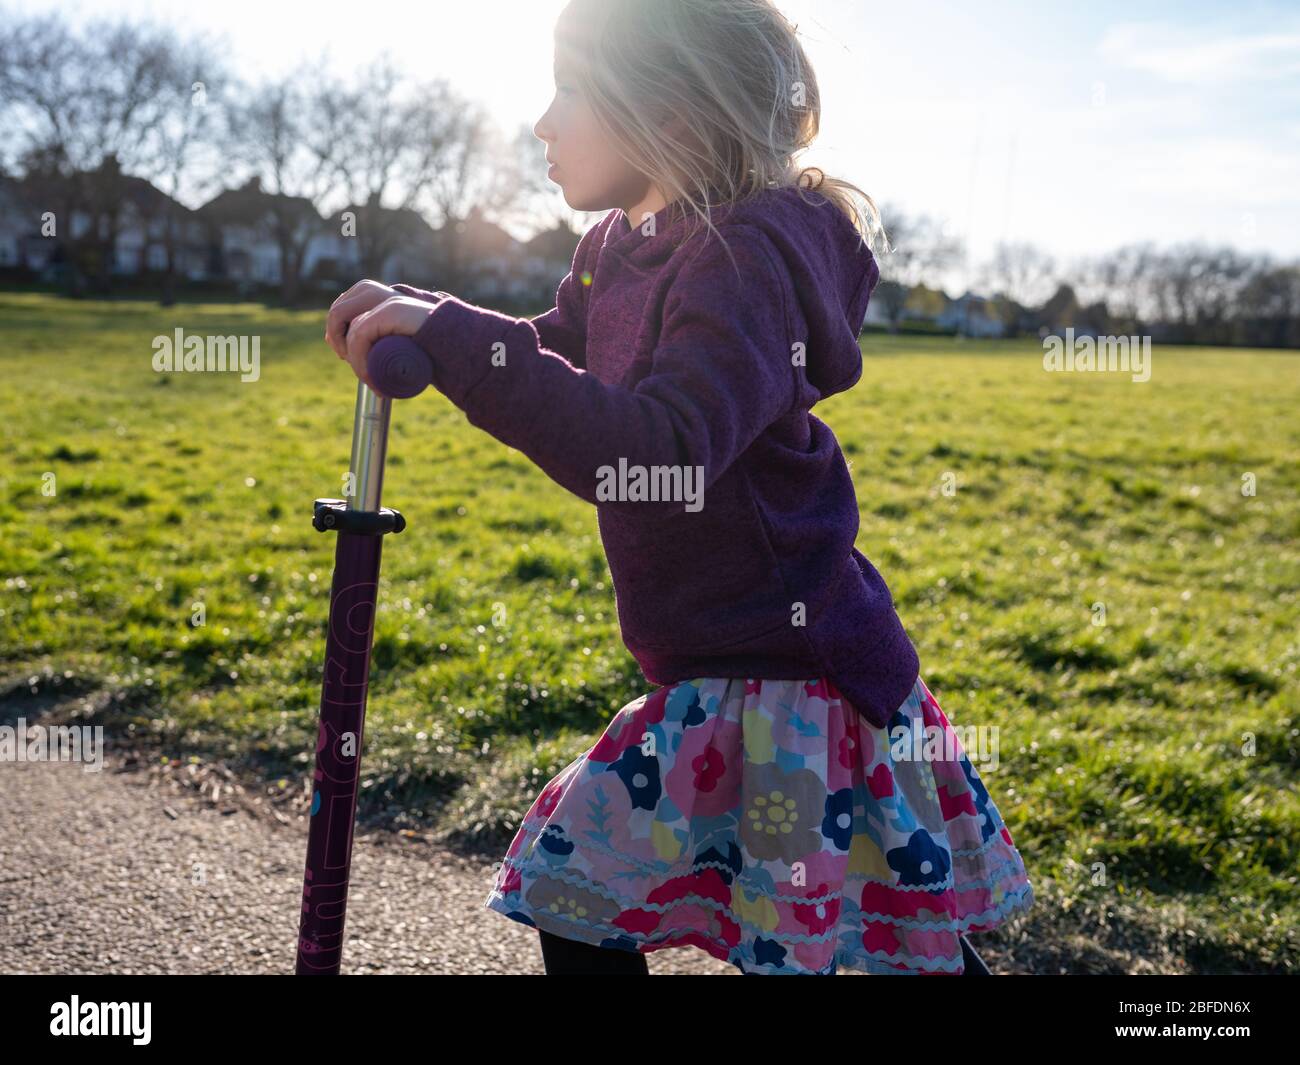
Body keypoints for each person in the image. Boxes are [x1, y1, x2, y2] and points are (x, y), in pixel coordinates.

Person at [324, 0, 1034, 975]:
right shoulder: (623, 244)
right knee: (579, 895)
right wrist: (434, 328)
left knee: (840, 946)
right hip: (714, 666)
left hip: (793, 679)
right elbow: (551, 352)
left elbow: (659, 451)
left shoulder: (744, 256)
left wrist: (450, 338)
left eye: (572, 88)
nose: (542, 121)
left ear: (674, 110)